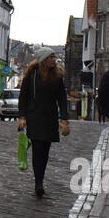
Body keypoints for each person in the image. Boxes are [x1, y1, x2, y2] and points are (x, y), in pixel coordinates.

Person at [18, 48, 69, 201]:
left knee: (45, 151)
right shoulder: (32, 75)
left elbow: (62, 99)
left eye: (54, 57)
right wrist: (22, 117)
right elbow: (23, 97)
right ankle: (38, 183)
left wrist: (64, 119)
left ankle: (40, 178)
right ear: (43, 59)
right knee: (37, 149)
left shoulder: (57, 77)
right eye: (50, 57)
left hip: (50, 118)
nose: (54, 60)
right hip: (34, 117)